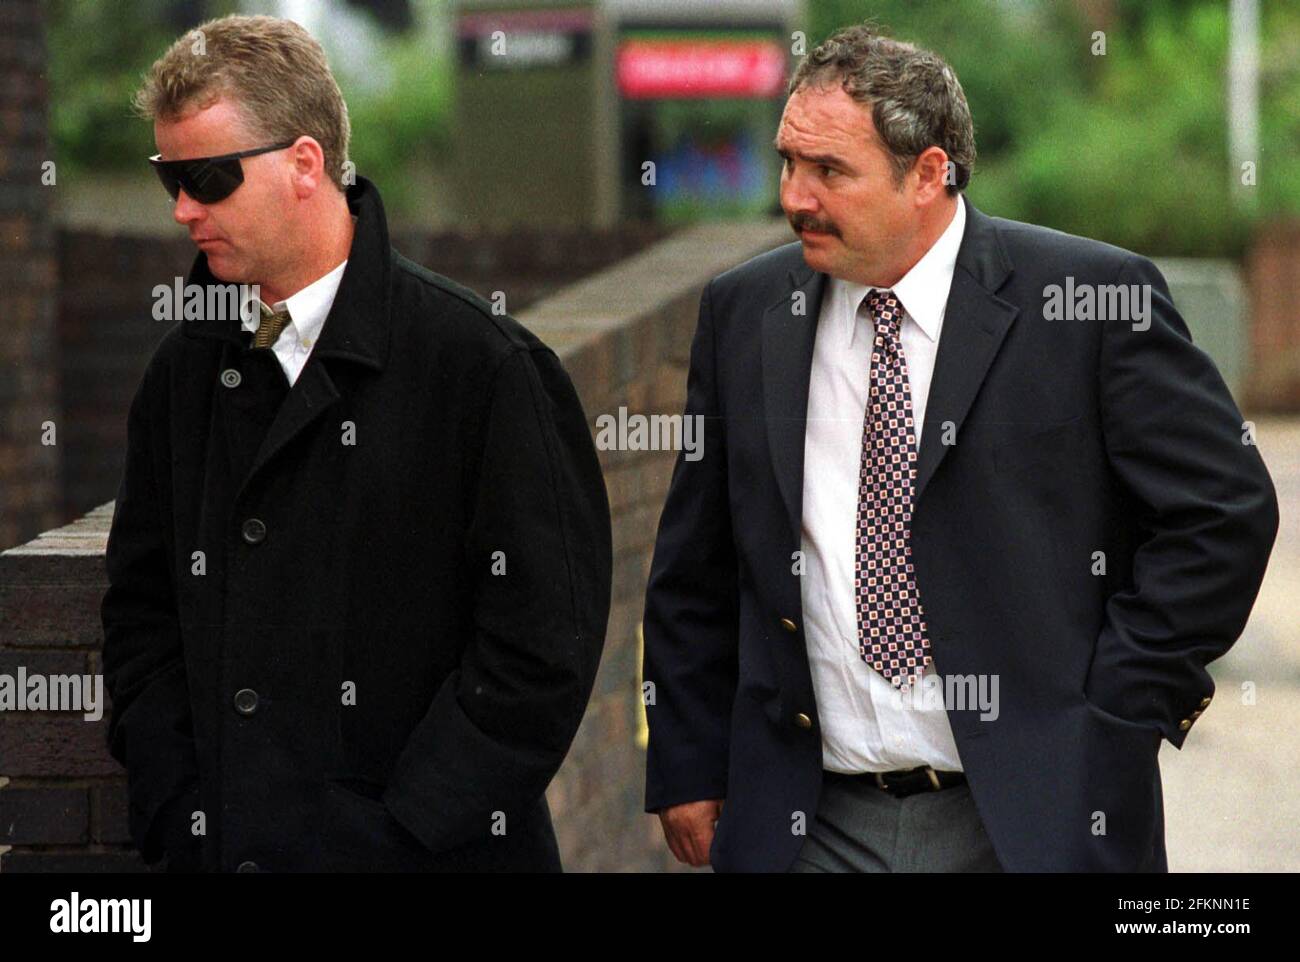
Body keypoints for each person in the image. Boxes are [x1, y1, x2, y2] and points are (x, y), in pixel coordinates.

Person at [641, 24, 1279, 872]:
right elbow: (695, 562)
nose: (795, 196)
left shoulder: (1089, 301)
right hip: (808, 820)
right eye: (789, 161)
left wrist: (1116, 711)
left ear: (929, 174)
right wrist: (685, 759)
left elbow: (1224, 513)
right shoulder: (745, 312)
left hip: (1032, 820)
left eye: (830, 171)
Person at [101, 14, 611, 872]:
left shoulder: (482, 367)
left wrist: (401, 833)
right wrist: (178, 809)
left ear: (305, 164)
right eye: (168, 180)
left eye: (209, 177)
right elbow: (141, 613)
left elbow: (539, 654)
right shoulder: (182, 371)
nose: (185, 208)